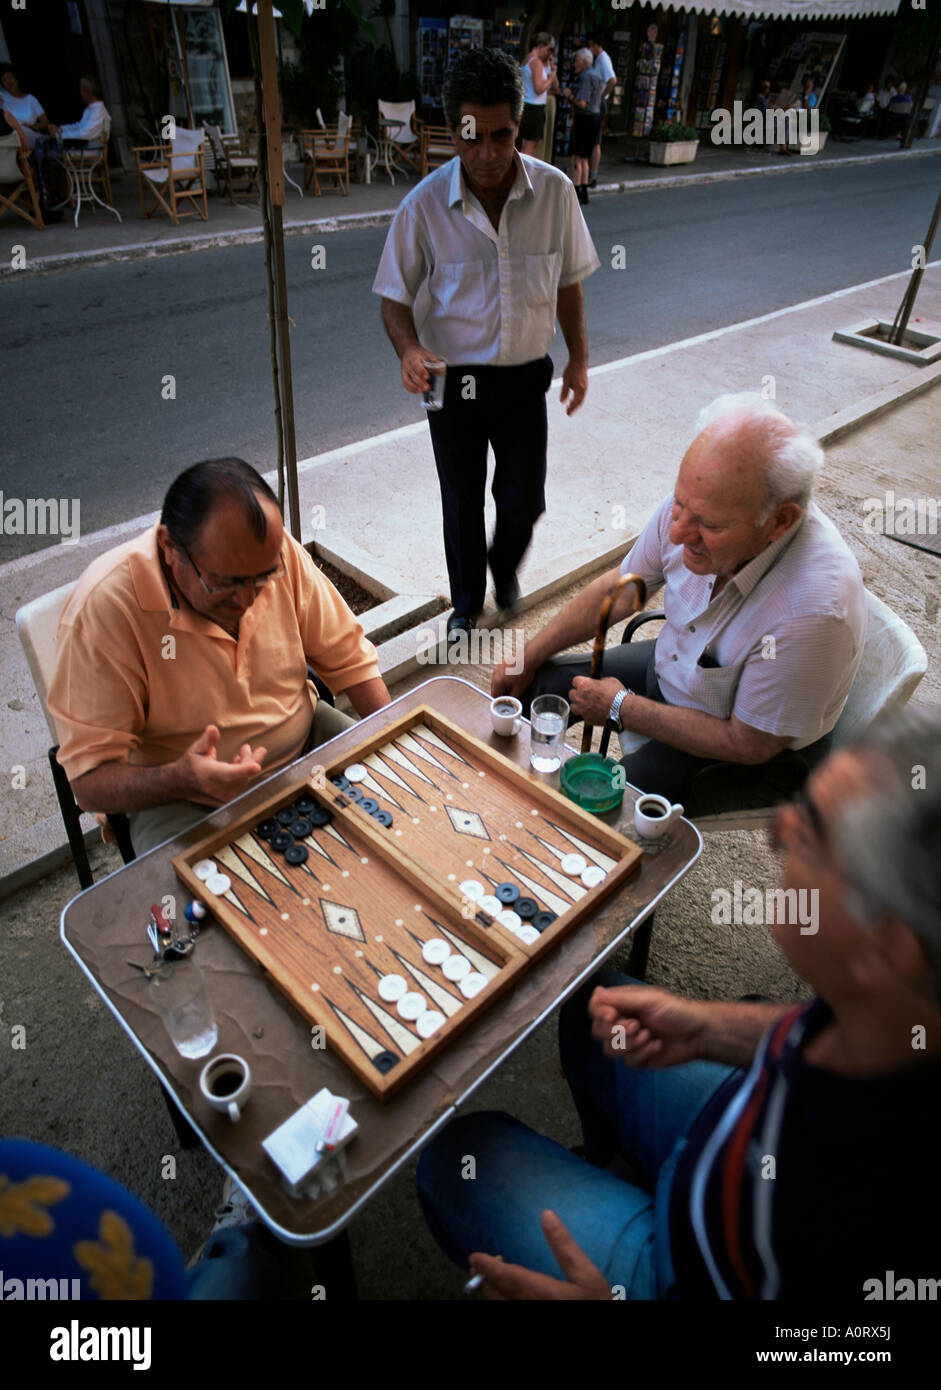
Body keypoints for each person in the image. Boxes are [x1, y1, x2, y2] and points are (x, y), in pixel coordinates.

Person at [416, 706, 941, 1299]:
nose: (777, 832)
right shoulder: (896, 1013)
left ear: (885, 948)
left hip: (684, 1275)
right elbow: (827, 1025)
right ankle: (614, 1164)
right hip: (731, 1126)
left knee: (456, 1159)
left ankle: (627, 1224)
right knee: (596, 999)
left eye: (814, 834)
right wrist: (710, 1029)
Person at [492, 393, 867, 817]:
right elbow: (621, 589)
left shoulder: (812, 611)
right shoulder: (700, 502)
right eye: (679, 505)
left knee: (608, 804)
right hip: (682, 669)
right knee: (537, 685)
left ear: (780, 521)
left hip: (750, 754)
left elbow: (750, 743)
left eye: (709, 525)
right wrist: (529, 653)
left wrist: (621, 707)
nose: (678, 532)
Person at [48, 458, 391, 854]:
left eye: (262, 578)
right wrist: (180, 779)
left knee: (409, 814)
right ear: (169, 547)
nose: (248, 599)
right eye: (227, 583)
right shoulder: (105, 610)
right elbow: (88, 784)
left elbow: (351, 661)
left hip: (306, 740)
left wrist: (393, 739)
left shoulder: (276, 556)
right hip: (182, 800)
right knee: (207, 914)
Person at [373, 48, 599, 641]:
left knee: (524, 499)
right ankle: (467, 604)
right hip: (451, 380)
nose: (488, 153)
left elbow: (568, 280)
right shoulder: (421, 207)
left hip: (524, 377)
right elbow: (393, 298)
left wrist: (578, 357)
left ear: (518, 127)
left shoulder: (554, 194)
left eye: (502, 136)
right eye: (473, 137)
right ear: (452, 131)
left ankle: (504, 567)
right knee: (462, 503)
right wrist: (407, 349)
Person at [561, 49, 605, 204]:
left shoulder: (586, 77)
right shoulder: (597, 75)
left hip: (583, 119)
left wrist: (569, 95)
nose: (574, 64)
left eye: (577, 61)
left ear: (585, 62)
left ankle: (577, 190)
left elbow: (582, 102)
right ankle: (584, 191)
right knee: (584, 157)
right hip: (593, 118)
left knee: (577, 157)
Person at [519, 32, 557, 157]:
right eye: (547, 49)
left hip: (527, 104)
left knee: (525, 145)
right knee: (530, 147)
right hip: (535, 107)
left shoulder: (527, 59)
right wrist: (550, 79)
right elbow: (539, 88)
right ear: (541, 46)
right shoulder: (536, 62)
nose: (548, 53)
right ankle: (525, 174)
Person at [586, 35, 615, 187]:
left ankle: (593, 174)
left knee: (596, 141)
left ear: (597, 45)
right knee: (593, 140)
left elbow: (612, 80)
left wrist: (602, 96)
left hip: (599, 103)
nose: (590, 49)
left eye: (591, 46)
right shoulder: (599, 60)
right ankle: (591, 173)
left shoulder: (603, 60)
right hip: (596, 102)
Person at [0, 64, 49, 149]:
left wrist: (33, 127)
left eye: (10, 77)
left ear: (16, 78)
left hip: (29, 135)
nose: (8, 82)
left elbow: (45, 122)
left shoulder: (30, 99)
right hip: (11, 139)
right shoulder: (3, 98)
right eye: (4, 80)